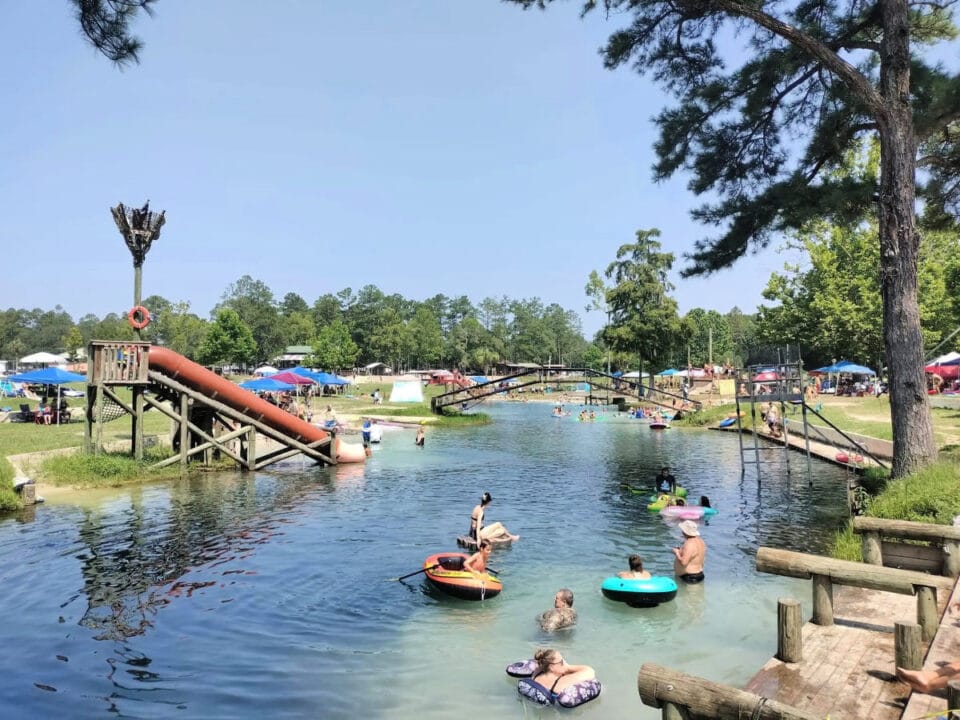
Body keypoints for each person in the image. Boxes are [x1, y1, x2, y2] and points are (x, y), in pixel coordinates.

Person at [530, 648, 596, 696]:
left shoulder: (536, 674)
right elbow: (591, 672)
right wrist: (568, 667)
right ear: (551, 667)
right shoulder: (561, 682)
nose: (564, 663)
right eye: (561, 662)